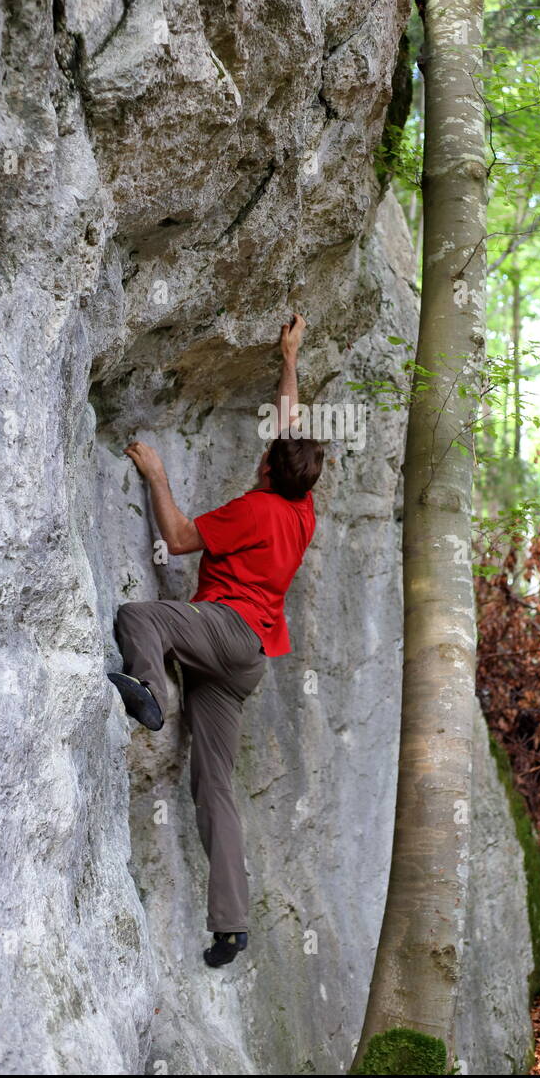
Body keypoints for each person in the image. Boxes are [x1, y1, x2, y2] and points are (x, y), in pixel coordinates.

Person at [108, 314, 323, 967]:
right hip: (246, 663)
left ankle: (148, 690)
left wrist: (155, 473)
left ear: (264, 469)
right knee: (215, 788)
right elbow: (290, 426)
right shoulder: (301, 509)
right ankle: (230, 925)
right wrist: (289, 358)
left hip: (225, 631)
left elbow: (176, 538)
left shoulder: (255, 507)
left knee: (138, 619)